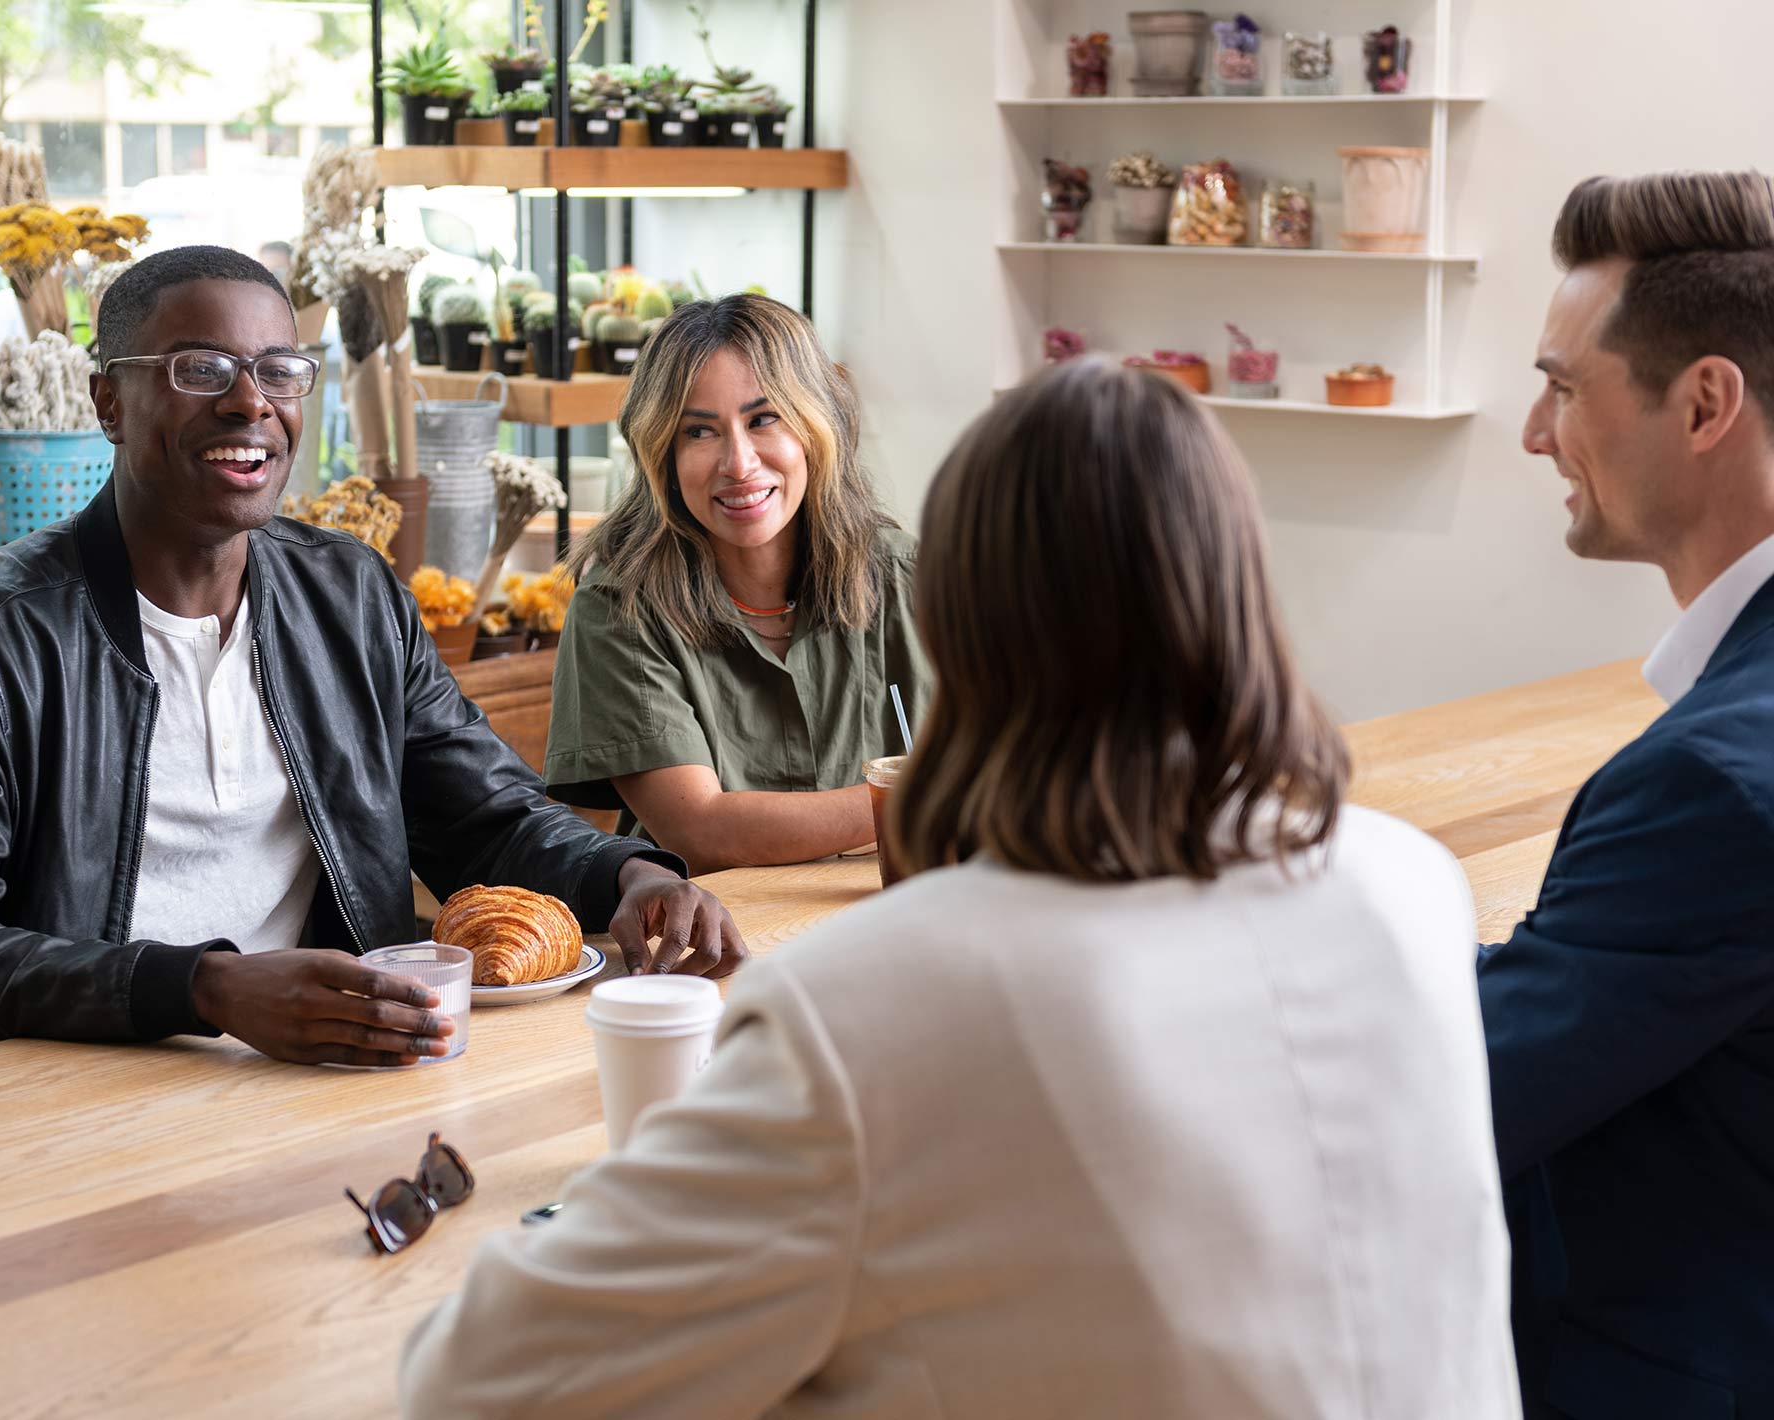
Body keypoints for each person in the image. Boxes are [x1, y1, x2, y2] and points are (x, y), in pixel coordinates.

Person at [400, 360, 1520, 1419]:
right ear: (1246, 584)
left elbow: (483, 1380)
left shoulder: (869, 1003)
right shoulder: (1413, 888)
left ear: (958, 624)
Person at [0, 245, 745, 1067]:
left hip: (326, 1069)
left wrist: (632, 875)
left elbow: (487, 818)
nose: (252, 403)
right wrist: (203, 988)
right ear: (109, 403)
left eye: (279, 370)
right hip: (66, 1096)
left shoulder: (351, 598)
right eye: (200, 369)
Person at [1483, 170, 1774, 1418]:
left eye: (1560, 386)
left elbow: (1458, 1091)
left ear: (1705, 401)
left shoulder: (1708, 781)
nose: (1537, 434)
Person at [543, 294, 930, 872]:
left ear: (814, 426)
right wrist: (924, 796)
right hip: (716, 948)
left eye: (763, 419)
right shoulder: (619, 610)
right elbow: (702, 832)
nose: (740, 463)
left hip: (894, 927)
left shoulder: (910, 578)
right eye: (699, 432)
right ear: (661, 454)